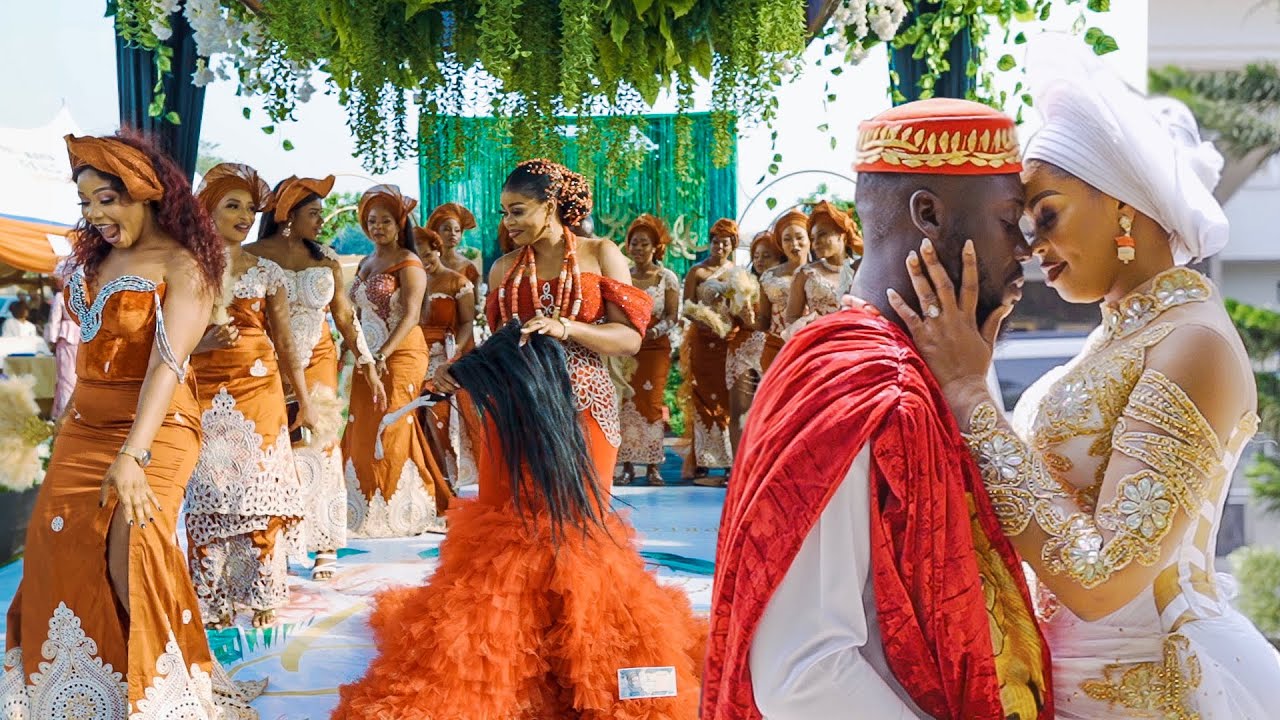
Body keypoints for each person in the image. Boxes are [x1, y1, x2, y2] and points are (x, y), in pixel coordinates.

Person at [895, 36, 1280, 719]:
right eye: (1024, 224)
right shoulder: (1121, 337)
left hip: (1151, 691)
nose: (1031, 245)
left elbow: (1103, 579)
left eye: (1048, 214)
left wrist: (971, 395)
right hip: (1060, 683)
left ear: (1124, 204)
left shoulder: (1192, 342)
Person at [702, 99, 1053, 720]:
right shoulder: (861, 382)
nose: (1025, 249)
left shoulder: (938, 366)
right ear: (929, 215)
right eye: (1008, 221)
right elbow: (802, 672)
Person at [2, 132, 258, 717]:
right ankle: (89, 693)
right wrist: (65, 418)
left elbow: (167, 364)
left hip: (158, 426)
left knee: (134, 547)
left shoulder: (185, 264)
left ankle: (166, 693)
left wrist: (132, 456)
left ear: (145, 192)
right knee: (58, 544)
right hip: (84, 426)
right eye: (86, 202)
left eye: (107, 199)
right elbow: (93, 353)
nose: (95, 214)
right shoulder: (96, 258)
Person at [331, 320, 706, 719]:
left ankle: (615, 680)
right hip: (512, 397)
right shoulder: (502, 289)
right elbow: (502, 336)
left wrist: (566, 327)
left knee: (580, 540)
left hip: (582, 402)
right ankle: (501, 673)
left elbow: (629, 339)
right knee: (506, 537)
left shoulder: (601, 276)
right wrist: (463, 370)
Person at [186, 163, 316, 630]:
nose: (244, 216)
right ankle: (213, 598)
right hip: (203, 391)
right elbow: (165, 340)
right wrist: (201, 343)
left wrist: (305, 402)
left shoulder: (269, 272)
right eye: (232, 206)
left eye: (249, 208)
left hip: (260, 390)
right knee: (210, 493)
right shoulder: (185, 269)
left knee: (256, 494)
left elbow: (286, 343)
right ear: (207, 211)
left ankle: (262, 592)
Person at [246, 175, 385, 580]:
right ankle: (280, 538)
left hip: (319, 359)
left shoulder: (326, 258)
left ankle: (325, 542)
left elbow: (344, 314)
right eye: (314, 213)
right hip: (269, 363)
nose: (321, 221)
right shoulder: (251, 256)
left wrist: (366, 361)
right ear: (287, 216)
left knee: (321, 445)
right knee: (276, 450)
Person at [342, 184, 451, 537]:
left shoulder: (410, 261)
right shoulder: (365, 262)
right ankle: (362, 504)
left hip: (401, 354)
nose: (377, 227)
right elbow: (355, 314)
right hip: (367, 359)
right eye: (372, 220)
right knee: (363, 426)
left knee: (392, 425)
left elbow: (411, 316)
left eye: (385, 221)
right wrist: (351, 353)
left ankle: (403, 506)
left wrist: (383, 354)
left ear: (399, 224)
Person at [617, 214, 681, 486]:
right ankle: (627, 466)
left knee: (652, 402)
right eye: (634, 243)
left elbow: (672, 316)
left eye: (644, 243)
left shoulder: (667, 278)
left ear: (656, 247)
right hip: (625, 348)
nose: (639, 248)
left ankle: (653, 466)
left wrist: (652, 333)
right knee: (626, 403)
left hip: (655, 348)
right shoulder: (621, 275)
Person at [414, 226, 475, 487]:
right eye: (418, 257)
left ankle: (448, 481)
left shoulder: (457, 282)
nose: (424, 262)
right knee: (413, 419)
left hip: (443, 356)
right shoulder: (410, 280)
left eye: (428, 255)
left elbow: (467, 322)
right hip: (413, 356)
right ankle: (425, 483)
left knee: (438, 416)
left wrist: (454, 355)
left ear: (437, 250)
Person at [683, 219, 738, 485]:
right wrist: (705, 322)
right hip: (703, 341)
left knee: (727, 398)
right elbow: (687, 307)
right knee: (702, 396)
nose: (720, 247)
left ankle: (728, 461)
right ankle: (703, 461)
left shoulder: (737, 273)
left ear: (732, 245)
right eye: (716, 242)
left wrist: (728, 326)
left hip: (728, 342)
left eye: (725, 243)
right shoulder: (697, 271)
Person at [725, 230, 782, 456]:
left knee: (770, 411)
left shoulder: (786, 284)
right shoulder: (742, 282)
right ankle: (739, 465)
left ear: (779, 257)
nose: (759, 261)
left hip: (773, 349)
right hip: (742, 349)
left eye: (766, 256)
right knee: (740, 410)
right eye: (756, 256)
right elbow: (728, 319)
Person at [784, 200, 862, 332]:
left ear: (841, 235)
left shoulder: (861, 270)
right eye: (812, 238)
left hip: (858, 339)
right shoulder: (805, 274)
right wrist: (815, 330)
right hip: (821, 341)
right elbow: (791, 318)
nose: (815, 243)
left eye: (822, 234)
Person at [757, 209, 810, 373]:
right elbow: (764, 320)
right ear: (781, 244)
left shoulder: (823, 273)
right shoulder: (769, 276)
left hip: (811, 349)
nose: (794, 244)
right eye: (787, 239)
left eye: (799, 237)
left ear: (810, 238)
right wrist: (746, 316)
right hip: (775, 350)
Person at [424, 202, 482, 311]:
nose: (453, 234)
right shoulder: (427, 264)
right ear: (436, 232)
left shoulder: (468, 268)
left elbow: (475, 306)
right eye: (447, 229)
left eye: (457, 230)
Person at [44, 260, 80, 418]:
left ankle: (64, 414)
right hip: (82, 337)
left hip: (66, 337)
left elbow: (54, 320)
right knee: (78, 376)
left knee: (66, 377)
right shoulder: (83, 294)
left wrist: (51, 341)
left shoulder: (60, 296)